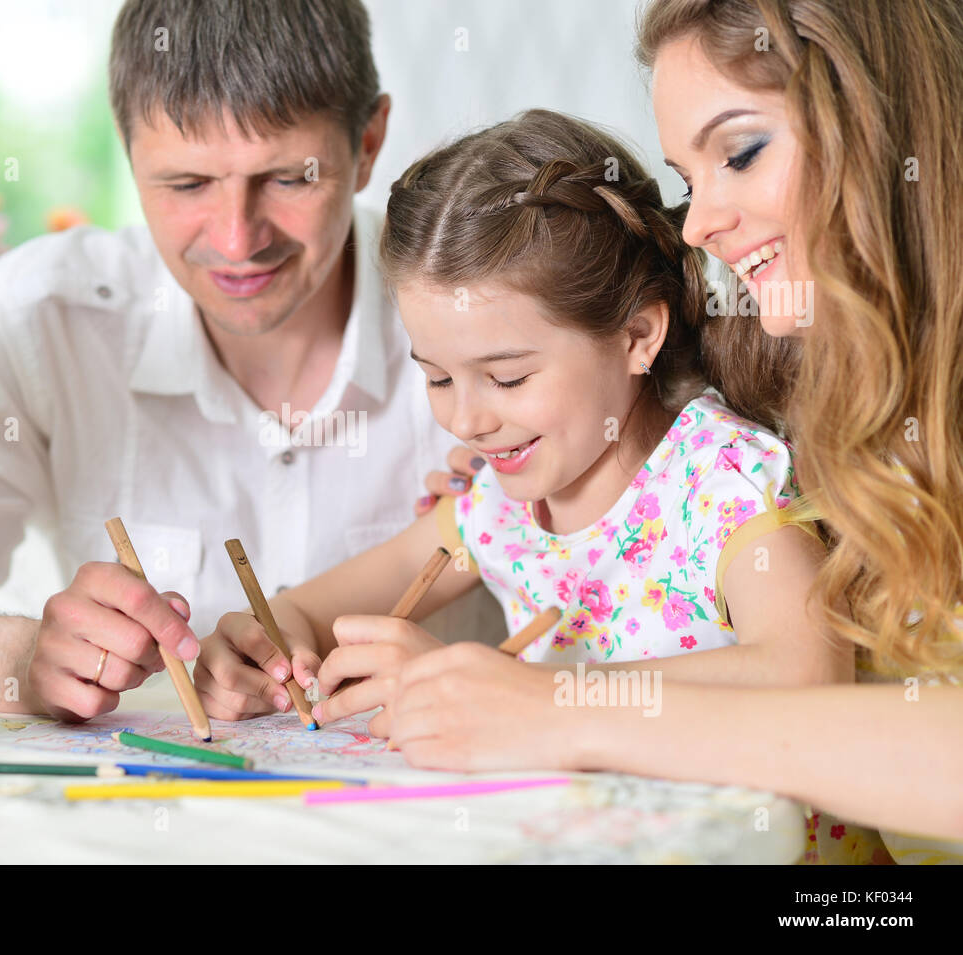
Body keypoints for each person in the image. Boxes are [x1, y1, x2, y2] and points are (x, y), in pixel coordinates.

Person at [396, 0, 963, 857]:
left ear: (886, 123)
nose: (696, 225)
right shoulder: (827, 403)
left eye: (741, 152)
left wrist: (563, 706)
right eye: (691, 181)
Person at [0, 0, 500, 721]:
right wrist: (20, 661)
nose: (236, 240)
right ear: (129, 154)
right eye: (187, 185)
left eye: (288, 178)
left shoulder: (498, 316)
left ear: (369, 144)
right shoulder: (40, 317)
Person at [192, 108, 849, 730]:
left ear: (637, 336)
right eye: (439, 377)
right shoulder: (498, 506)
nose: (467, 419)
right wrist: (260, 643)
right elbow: (304, 611)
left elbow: (807, 673)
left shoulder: (723, 482)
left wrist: (512, 693)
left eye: (508, 377)